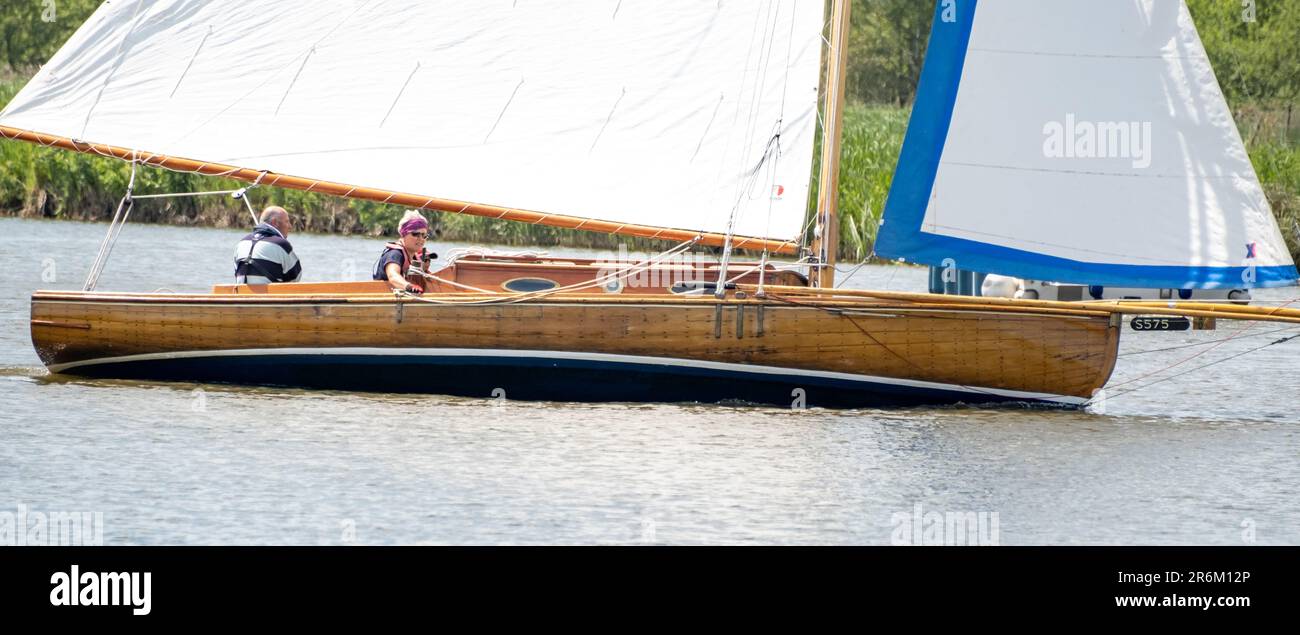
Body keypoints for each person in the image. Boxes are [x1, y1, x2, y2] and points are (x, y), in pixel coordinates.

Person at [234, 206, 302, 284]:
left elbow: (237, 273)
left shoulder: (241, 243)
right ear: (274, 222)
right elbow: (296, 278)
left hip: (241, 295)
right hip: (269, 295)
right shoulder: (281, 244)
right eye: (287, 221)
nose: (290, 226)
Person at [373, 210, 436, 294]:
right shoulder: (395, 254)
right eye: (415, 234)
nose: (421, 238)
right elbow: (393, 276)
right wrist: (409, 286)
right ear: (404, 234)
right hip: (383, 298)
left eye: (424, 235)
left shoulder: (414, 256)